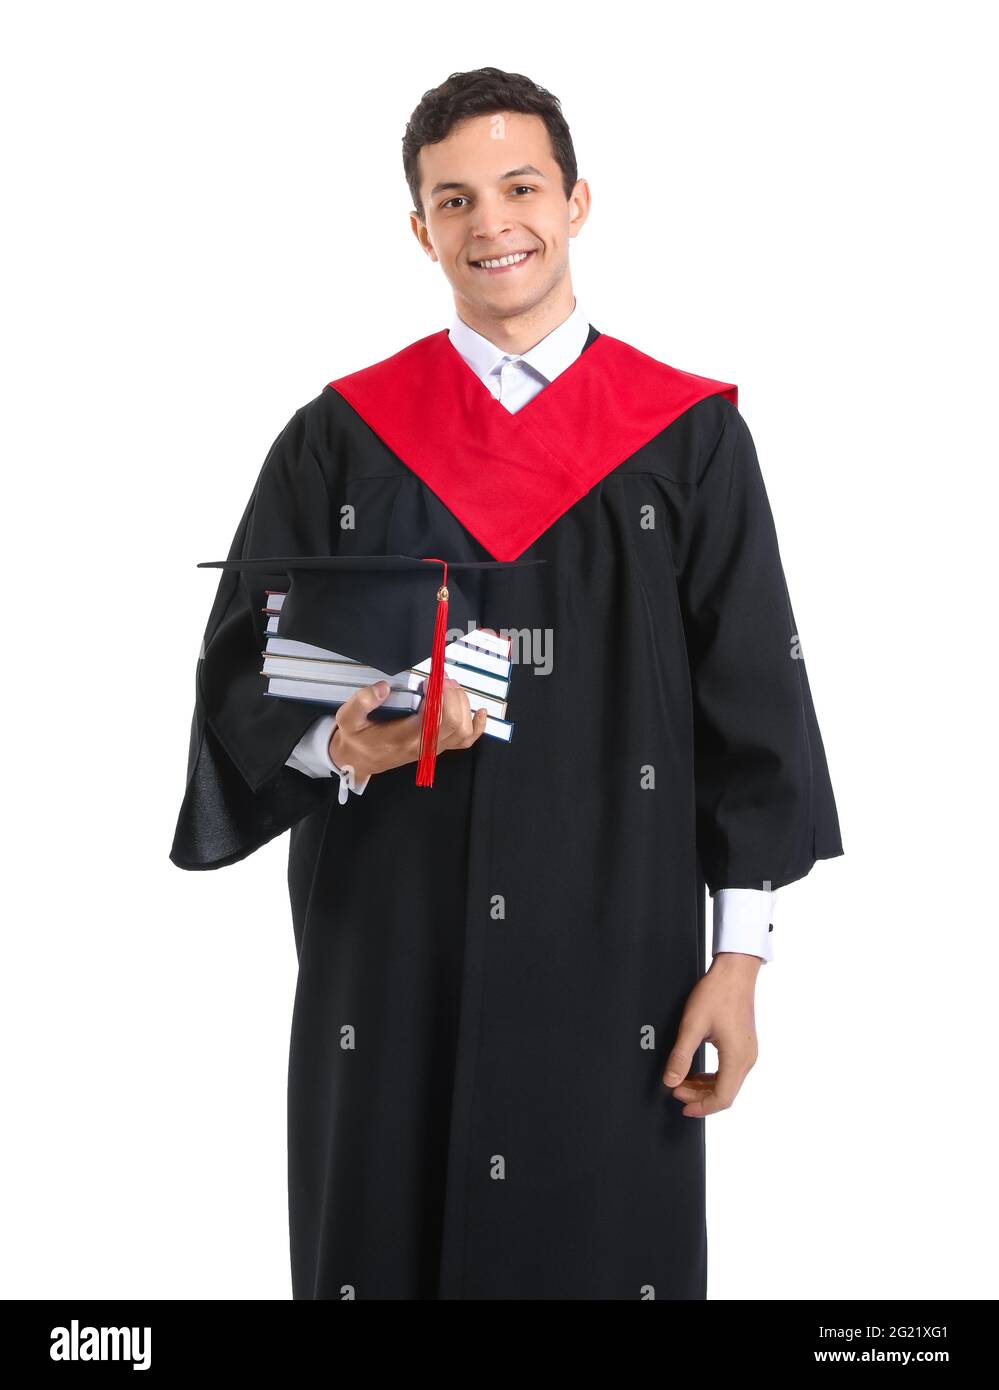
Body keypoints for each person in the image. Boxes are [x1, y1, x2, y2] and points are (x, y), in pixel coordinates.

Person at [170, 65, 843, 1301]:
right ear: (419, 228)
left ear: (578, 201)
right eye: (455, 199)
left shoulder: (688, 440)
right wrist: (340, 747)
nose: (494, 224)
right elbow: (243, 678)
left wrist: (738, 964)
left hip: (618, 950)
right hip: (388, 945)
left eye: (521, 186)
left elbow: (754, 710)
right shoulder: (341, 437)